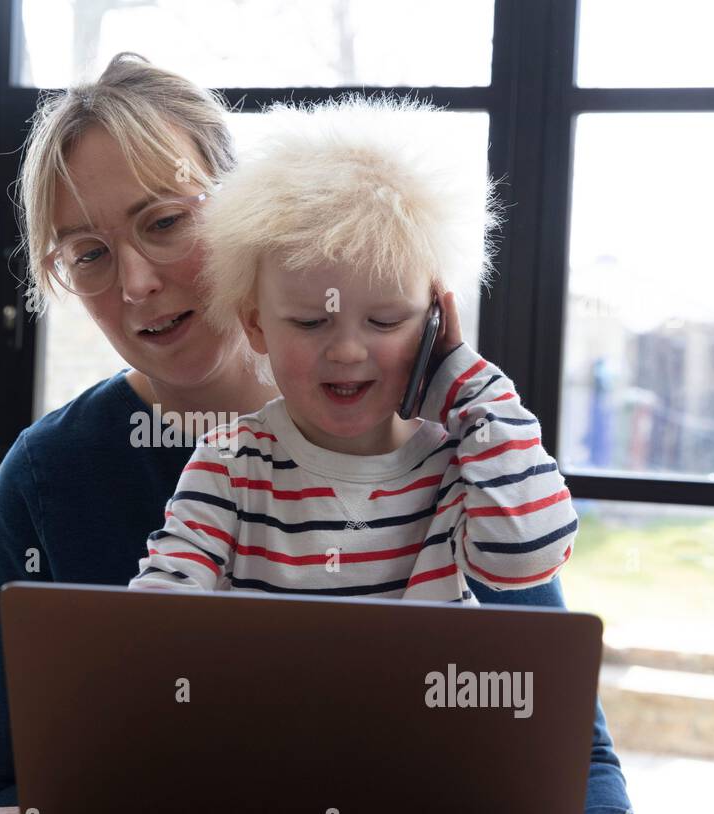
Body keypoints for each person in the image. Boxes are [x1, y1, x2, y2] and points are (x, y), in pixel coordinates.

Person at [0, 52, 637, 814]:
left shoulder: (441, 447)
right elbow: (5, 787)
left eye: (165, 222)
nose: (137, 283)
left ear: (243, 211)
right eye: (88, 254)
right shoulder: (49, 473)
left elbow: (570, 755)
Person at [129, 93, 576, 601]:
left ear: (436, 323)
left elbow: (525, 560)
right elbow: (158, 612)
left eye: (385, 321)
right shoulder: (231, 465)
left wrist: (469, 385)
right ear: (255, 325)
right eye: (310, 321)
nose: (346, 351)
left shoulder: (460, 461)